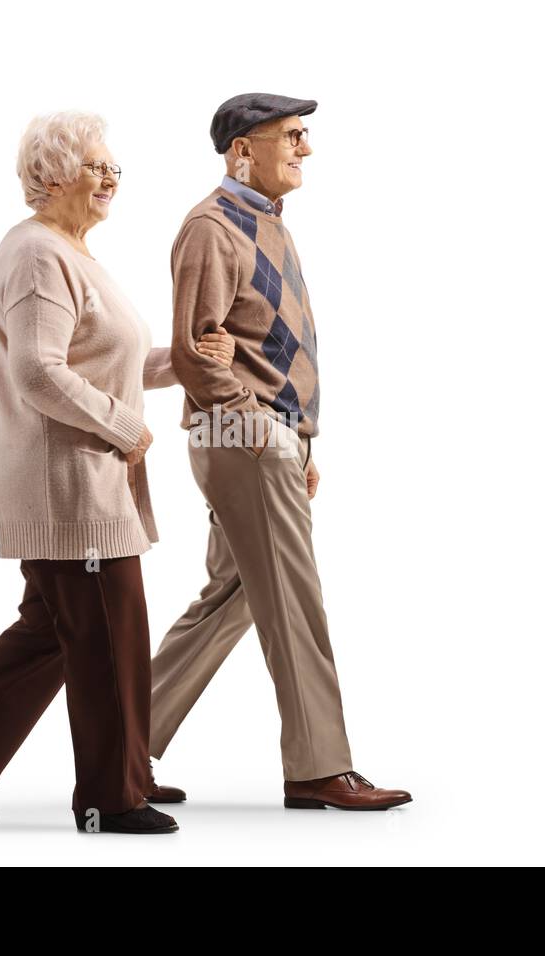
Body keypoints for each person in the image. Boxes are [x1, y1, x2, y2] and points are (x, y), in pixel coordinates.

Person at [0, 110, 235, 834]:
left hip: (83, 477)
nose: (111, 176)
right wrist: (122, 426)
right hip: (68, 484)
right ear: (50, 178)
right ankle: (111, 798)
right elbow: (36, 371)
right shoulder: (34, 257)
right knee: (110, 633)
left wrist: (182, 363)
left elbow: (99, 364)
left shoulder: (71, 254)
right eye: (95, 166)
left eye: (115, 166)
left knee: (54, 630)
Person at [148, 93, 412, 810]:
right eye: (292, 135)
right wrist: (264, 431)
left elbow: (270, 346)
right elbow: (196, 349)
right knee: (295, 601)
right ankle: (319, 767)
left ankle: (123, 742)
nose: (306, 147)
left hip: (269, 437)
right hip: (244, 436)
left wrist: (301, 439)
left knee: (233, 597)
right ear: (242, 150)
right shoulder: (211, 226)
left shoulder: (267, 223)